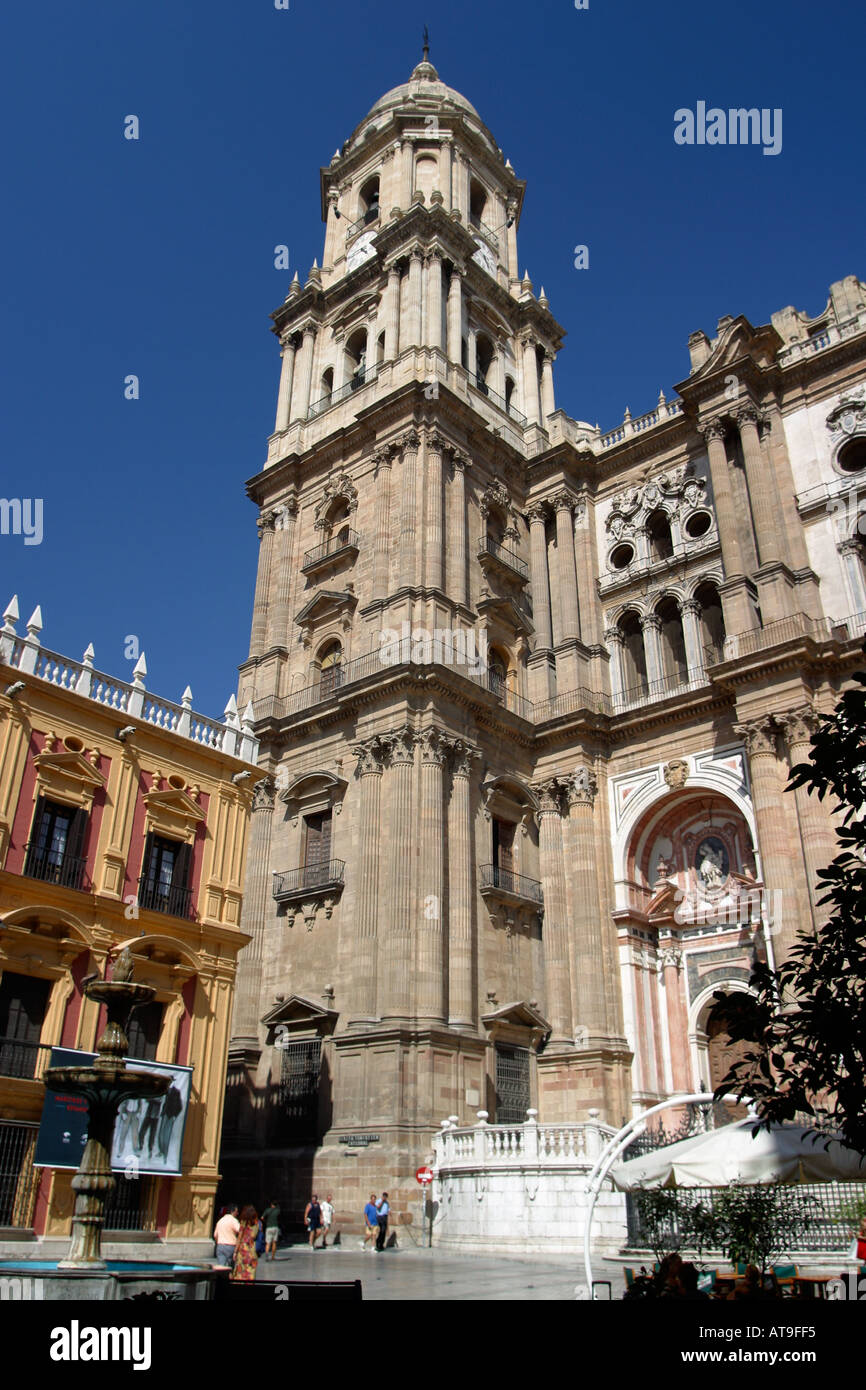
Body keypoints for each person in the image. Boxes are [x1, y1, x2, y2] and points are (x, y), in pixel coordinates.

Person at [230, 1205, 260, 1282]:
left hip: (243, 1250)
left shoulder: (244, 1222)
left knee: (240, 1273)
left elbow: (239, 1237)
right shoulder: (257, 1222)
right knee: (251, 1273)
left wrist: (235, 1252)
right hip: (252, 1250)